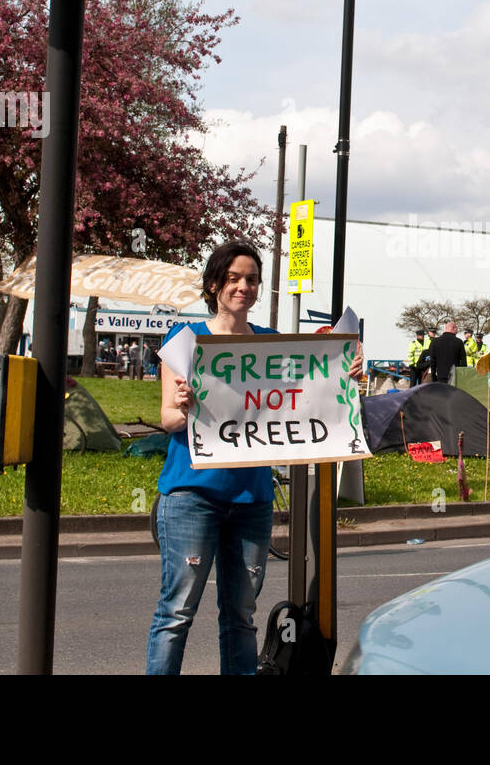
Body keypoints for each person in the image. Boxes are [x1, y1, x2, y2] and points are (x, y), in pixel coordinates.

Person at [147, 241, 361, 675]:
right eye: (233, 279)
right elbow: (168, 418)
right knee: (176, 614)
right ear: (214, 285)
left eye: (251, 279)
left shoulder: (269, 344)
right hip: (192, 495)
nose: (243, 286)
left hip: (251, 499)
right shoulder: (185, 340)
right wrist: (184, 407)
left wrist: (348, 371)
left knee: (241, 617)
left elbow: (310, 392)